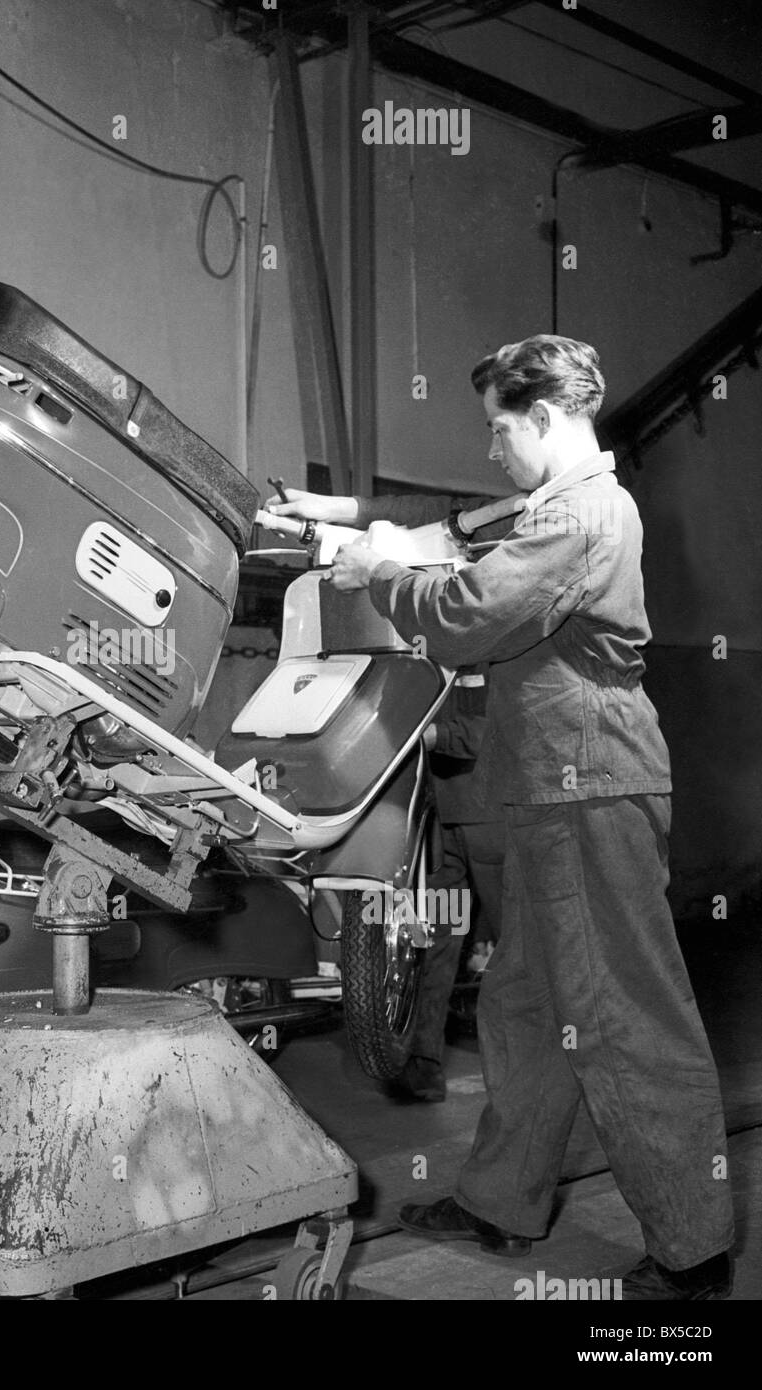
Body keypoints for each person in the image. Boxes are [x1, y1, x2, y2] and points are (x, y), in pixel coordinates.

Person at [270, 335, 734, 1300]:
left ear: (545, 419)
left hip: (588, 790)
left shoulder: (581, 513)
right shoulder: (545, 511)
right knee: (528, 1008)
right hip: (545, 790)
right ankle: (501, 1200)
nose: (488, 448)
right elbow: (461, 539)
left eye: (496, 429)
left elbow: (471, 607)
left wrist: (376, 575)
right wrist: (352, 526)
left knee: (623, 1018)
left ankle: (693, 1252)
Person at [396, 669, 504, 1104]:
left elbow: (497, 731)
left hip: (490, 827)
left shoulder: (493, 652)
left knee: (513, 944)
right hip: (448, 833)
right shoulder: (428, 666)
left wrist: (434, 735)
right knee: (441, 943)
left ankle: (535, 1064)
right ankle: (424, 1066)